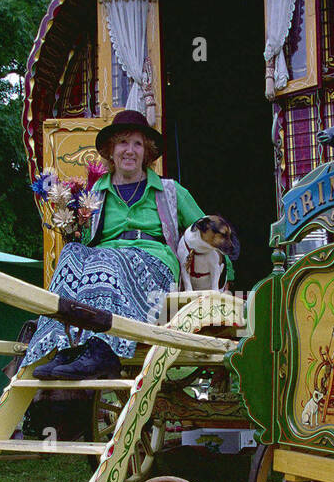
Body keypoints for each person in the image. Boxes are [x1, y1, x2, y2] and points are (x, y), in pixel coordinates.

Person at [20, 110, 211, 380]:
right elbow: (85, 245)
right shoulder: (94, 194)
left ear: (147, 151)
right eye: (123, 142)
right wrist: (73, 227)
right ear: (111, 150)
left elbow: (207, 232)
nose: (129, 150)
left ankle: (102, 351)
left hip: (153, 268)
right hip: (107, 270)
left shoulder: (170, 190)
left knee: (109, 257)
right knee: (72, 253)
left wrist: (223, 276)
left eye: (137, 144)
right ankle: (63, 347)